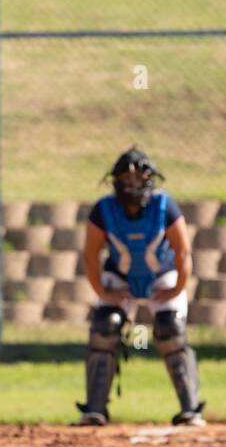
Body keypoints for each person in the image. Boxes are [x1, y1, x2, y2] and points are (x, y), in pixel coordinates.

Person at [76, 147, 204, 427]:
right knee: (105, 324)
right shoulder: (104, 209)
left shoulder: (164, 205)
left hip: (161, 275)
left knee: (170, 327)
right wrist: (102, 292)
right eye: (126, 178)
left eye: (138, 178)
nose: (132, 185)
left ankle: (191, 409)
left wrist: (177, 288)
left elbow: (183, 252)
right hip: (120, 276)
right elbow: (90, 254)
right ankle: (95, 409)